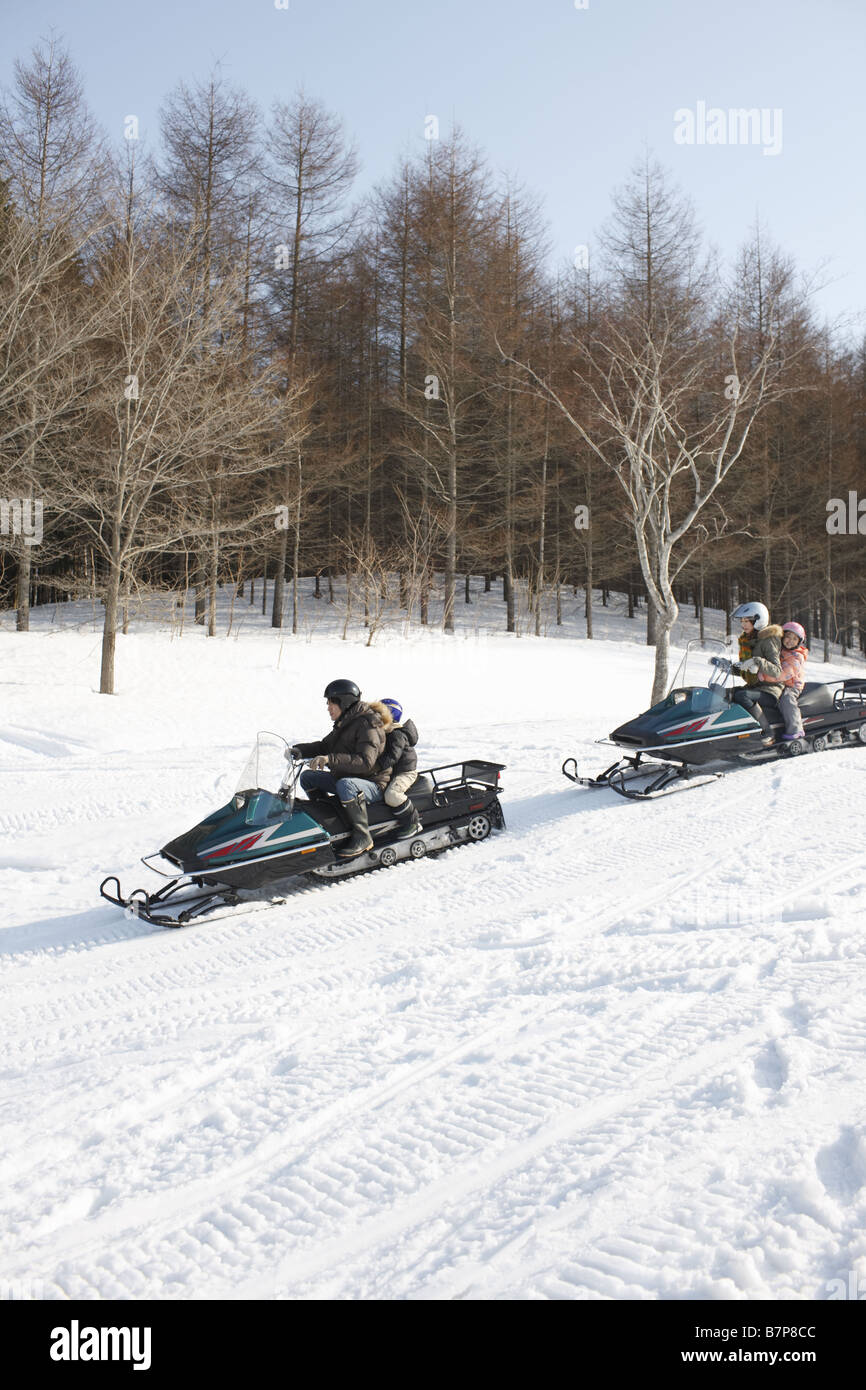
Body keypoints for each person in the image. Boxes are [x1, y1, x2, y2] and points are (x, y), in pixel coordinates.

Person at [292, 679, 386, 858]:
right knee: (308, 777)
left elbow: (366, 762)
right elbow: (323, 746)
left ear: (344, 702)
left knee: (345, 785)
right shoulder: (345, 723)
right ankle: (328, 820)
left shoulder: (368, 724)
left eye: (331, 703)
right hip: (350, 780)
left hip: (373, 783)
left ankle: (363, 836)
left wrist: (330, 759)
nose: (328, 708)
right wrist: (299, 750)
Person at [728, 601, 784, 746]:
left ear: (758, 620)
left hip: (770, 690)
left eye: (747, 621)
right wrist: (728, 667)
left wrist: (757, 661)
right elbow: (748, 668)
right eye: (742, 621)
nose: (743, 624)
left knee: (742, 696)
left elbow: (777, 671)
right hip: (755, 687)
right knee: (726, 694)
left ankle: (767, 731)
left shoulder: (768, 640)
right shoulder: (747, 640)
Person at [369, 698, 422, 839]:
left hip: (406, 771)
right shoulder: (387, 734)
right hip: (396, 771)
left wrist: (376, 766)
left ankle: (413, 822)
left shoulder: (396, 734)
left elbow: (393, 756)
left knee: (392, 795)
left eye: (378, 715)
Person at [776, 622, 808, 741]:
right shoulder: (780, 650)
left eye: (794, 639)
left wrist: (765, 676)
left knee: (787, 699)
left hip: (792, 685)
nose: (790, 640)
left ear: (799, 642)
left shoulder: (796, 656)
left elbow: (786, 674)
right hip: (780, 683)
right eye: (788, 636)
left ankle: (796, 729)